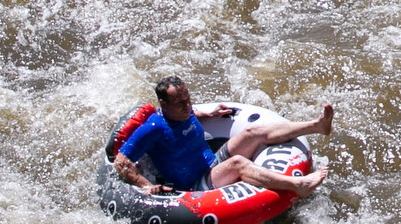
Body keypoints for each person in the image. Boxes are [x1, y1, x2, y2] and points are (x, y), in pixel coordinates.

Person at [111, 76, 333, 200]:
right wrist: (145, 185)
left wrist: (208, 113)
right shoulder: (153, 128)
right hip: (194, 184)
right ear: (164, 104)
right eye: (180, 103)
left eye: (188, 100)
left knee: (250, 133)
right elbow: (121, 161)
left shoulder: (186, 112)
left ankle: (316, 126)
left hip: (212, 164)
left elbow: (189, 113)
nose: (187, 106)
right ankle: (298, 185)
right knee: (238, 164)